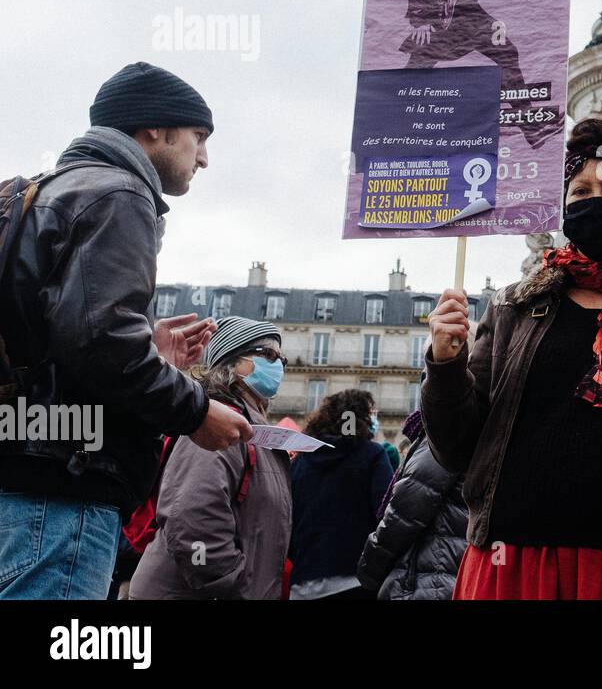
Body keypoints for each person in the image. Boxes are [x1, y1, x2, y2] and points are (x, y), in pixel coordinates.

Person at [423, 117, 602, 599]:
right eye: (580, 192)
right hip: (514, 559)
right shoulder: (516, 304)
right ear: (562, 208)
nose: (595, 199)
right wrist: (446, 363)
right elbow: (456, 447)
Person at [0, 62, 252, 600]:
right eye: (199, 136)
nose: (203, 157)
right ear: (152, 130)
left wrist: (150, 356)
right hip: (64, 489)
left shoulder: (40, 191)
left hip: (21, 478)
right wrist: (195, 409)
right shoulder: (119, 193)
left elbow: (61, 339)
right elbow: (100, 341)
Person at [131, 318, 292, 599]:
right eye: (267, 354)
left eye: (281, 359)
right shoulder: (216, 424)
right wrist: (230, 581)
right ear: (231, 362)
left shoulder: (250, 426)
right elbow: (191, 515)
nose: (277, 365)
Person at [288, 389, 393, 600]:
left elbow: (287, 519)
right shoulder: (372, 454)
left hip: (303, 584)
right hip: (356, 580)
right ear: (360, 417)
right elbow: (388, 515)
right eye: (370, 413)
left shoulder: (300, 462)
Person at [356, 409, 468, 600]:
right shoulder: (483, 425)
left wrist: (369, 569)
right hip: (455, 571)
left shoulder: (445, 431)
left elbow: (403, 513)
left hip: (429, 577)